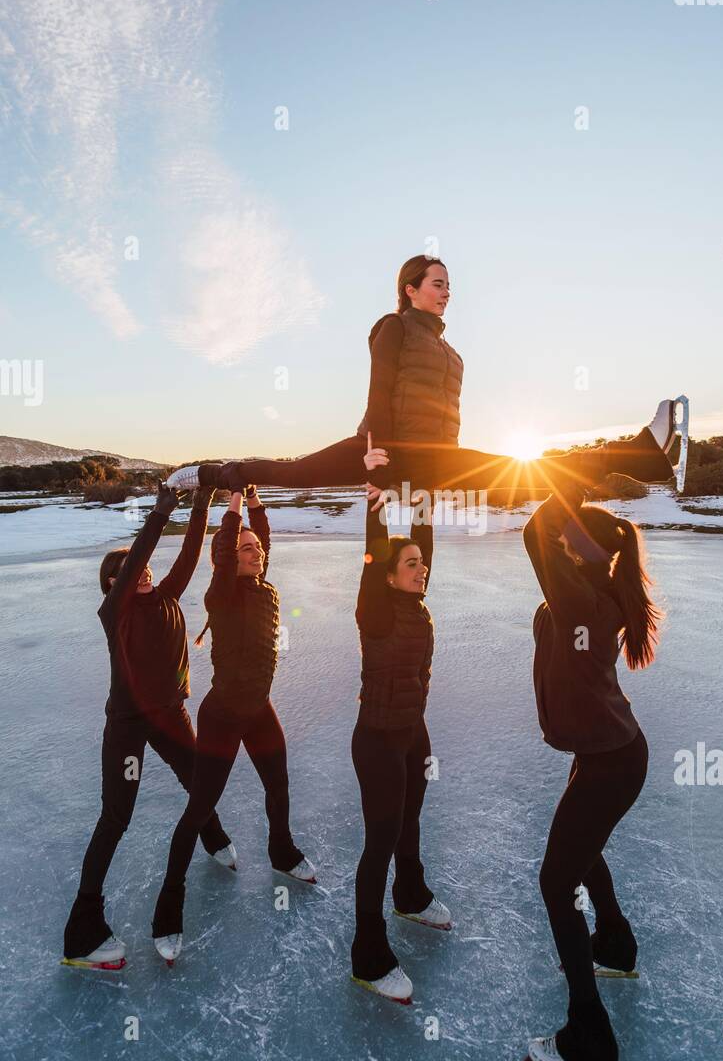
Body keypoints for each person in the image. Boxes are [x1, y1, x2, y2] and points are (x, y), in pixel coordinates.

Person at [164, 256, 686, 507]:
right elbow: (379, 391)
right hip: (382, 447)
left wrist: (443, 471)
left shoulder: (451, 352)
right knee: (295, 472)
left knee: (528, 470)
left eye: (450, 286)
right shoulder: (393, 328)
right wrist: (378, 458)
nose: (446, 292)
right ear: (410, 289)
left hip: (433, 455)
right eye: (437, 284)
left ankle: (644, 458)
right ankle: (209, 473)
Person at [520, 480, 661, 1061]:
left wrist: (563, 477)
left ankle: (589, 1043)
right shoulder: (589, 590)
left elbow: (533, 531)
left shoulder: (580, 597)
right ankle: (616, 943)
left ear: (578, 550)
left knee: (555, 882)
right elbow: (544, 536)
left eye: (567, 537)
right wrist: (568, 496)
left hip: (612, 761)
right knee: (582, 850)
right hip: (608, 752)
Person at [62, 483, 235, 971]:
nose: (139, 573)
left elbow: (190, 552)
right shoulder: (114, 613)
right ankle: (82, 930)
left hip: (170, 716)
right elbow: (141, 552)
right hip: (129, 727)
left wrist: (201, 505)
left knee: (199, 782)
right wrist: (162, 510)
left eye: (139, 569)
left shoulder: (167, 596)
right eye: (124, 572)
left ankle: (215, 837)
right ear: (111, 586)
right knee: (117, 817)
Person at [150, 483, 315, 964]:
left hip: (258, 707)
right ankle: (168, 904)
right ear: (229, 558)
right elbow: (226, 550)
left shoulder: (264, 586)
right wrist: (234, 506)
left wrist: (256, 502)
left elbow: (259, 539)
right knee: (200, 808)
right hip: (222, 714)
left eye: (258, 548)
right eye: (247, 549)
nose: (256, 551)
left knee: (278, 786)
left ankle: (281, 852)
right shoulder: (221, 591)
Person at [348, 440, 450, 1004]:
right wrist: (374, 504)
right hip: (378, 738)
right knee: (380, 841)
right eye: (410, 564)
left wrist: (426, 500)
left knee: (410, 822)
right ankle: (367, 954)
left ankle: (410, 894)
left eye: (422, 564)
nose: (421, 568)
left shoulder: (416, 604)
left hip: (413, 730)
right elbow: (374, 554)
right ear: (388, 576)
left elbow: (422, 544)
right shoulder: (376, 606)